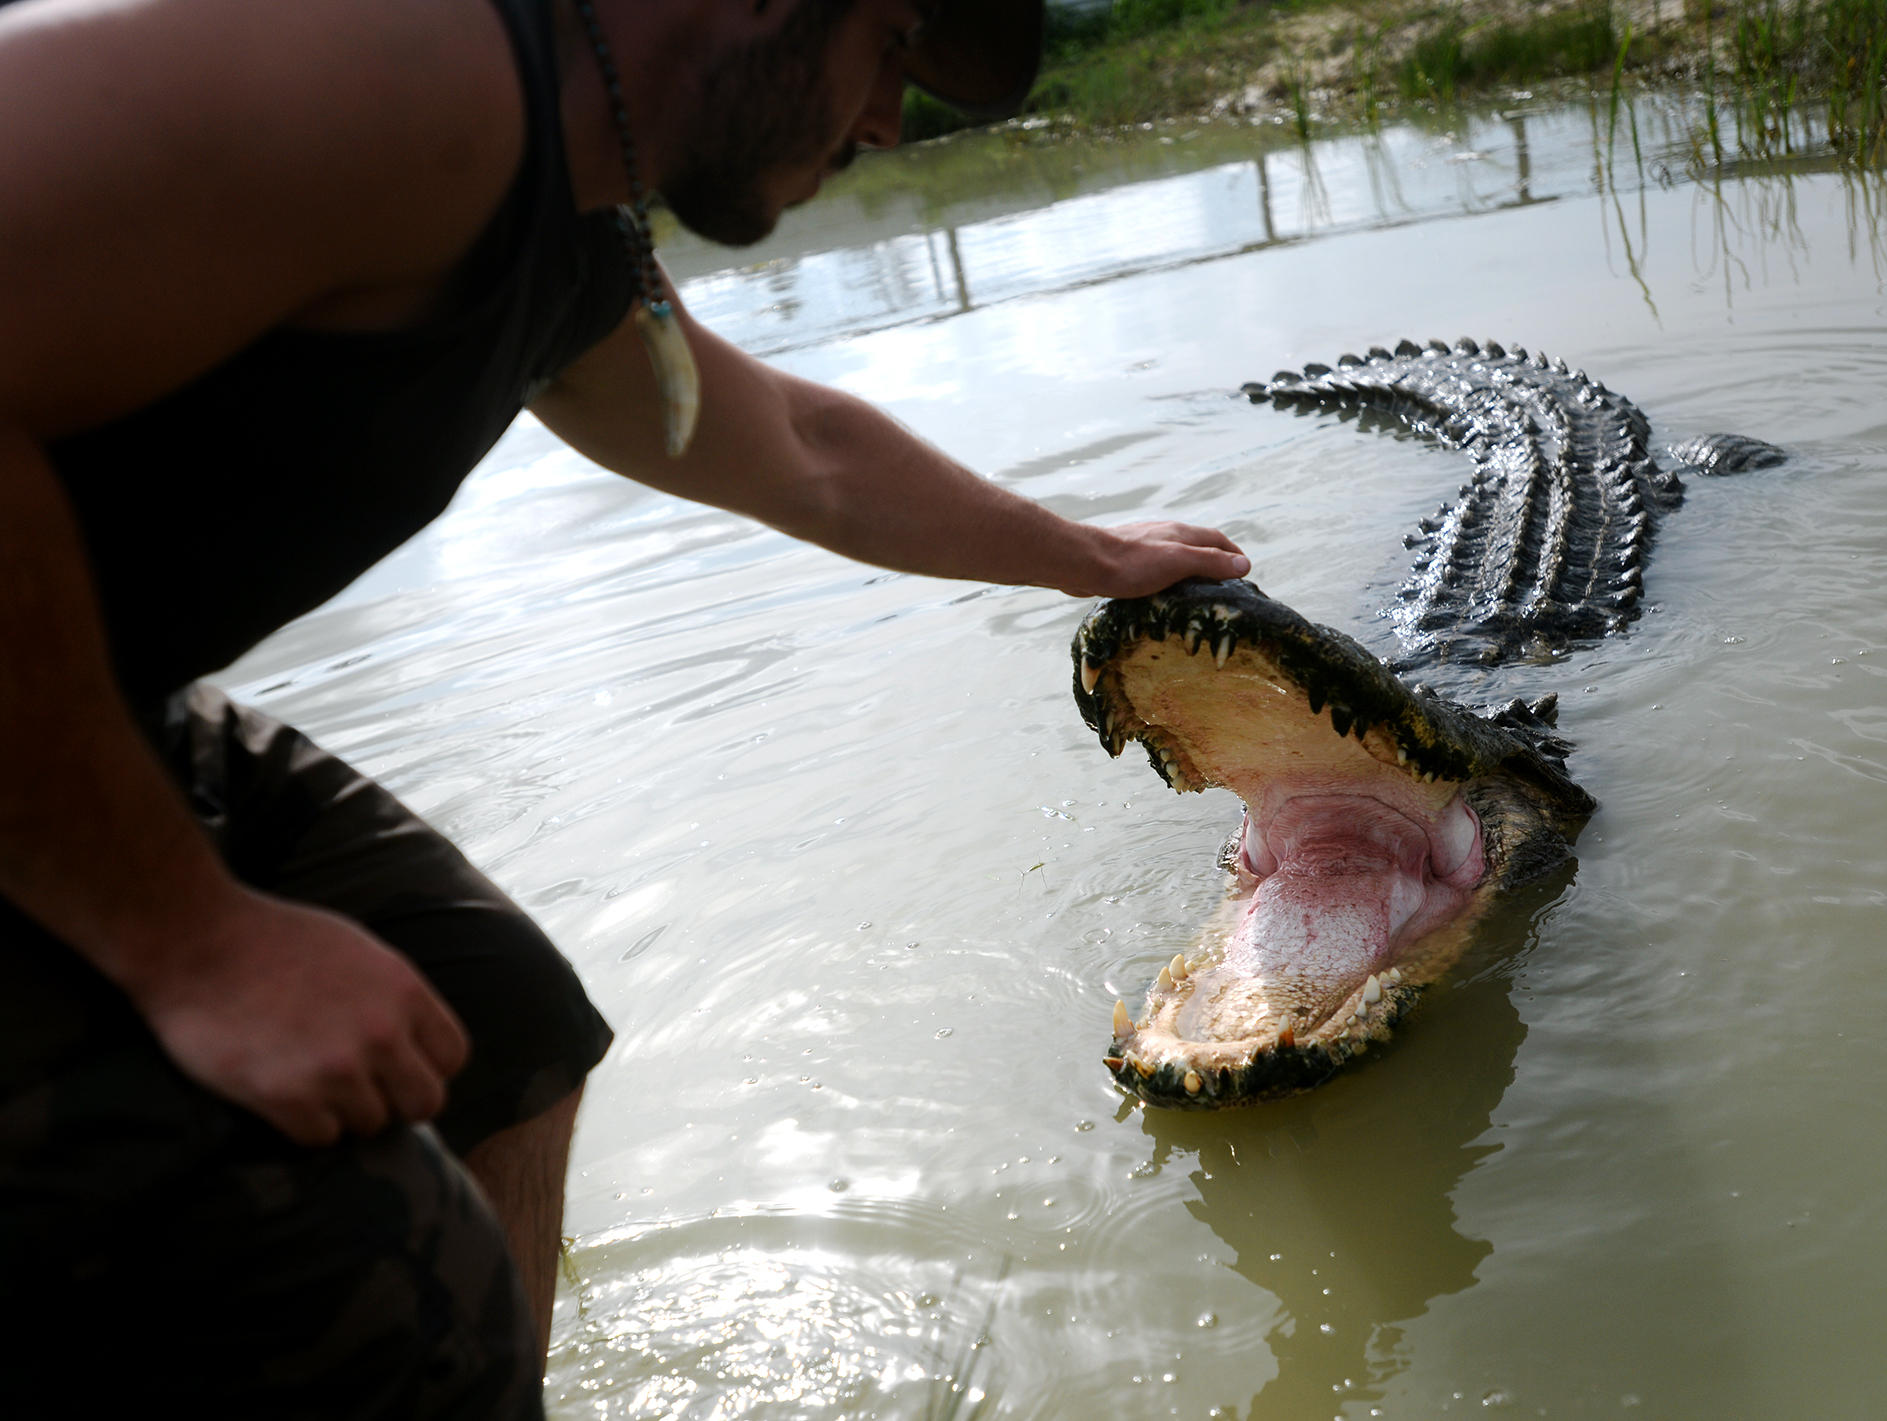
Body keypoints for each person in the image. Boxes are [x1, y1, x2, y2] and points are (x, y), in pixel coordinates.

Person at [0, 0, 1250, 1412]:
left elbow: (805, 451)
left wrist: (1088, 555)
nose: (891, 123)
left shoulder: (563, 230)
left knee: (508, 1031)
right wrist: (189, 941)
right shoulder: (414, 65)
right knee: (373, 1270)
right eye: (896, 44)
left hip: (109, 700)